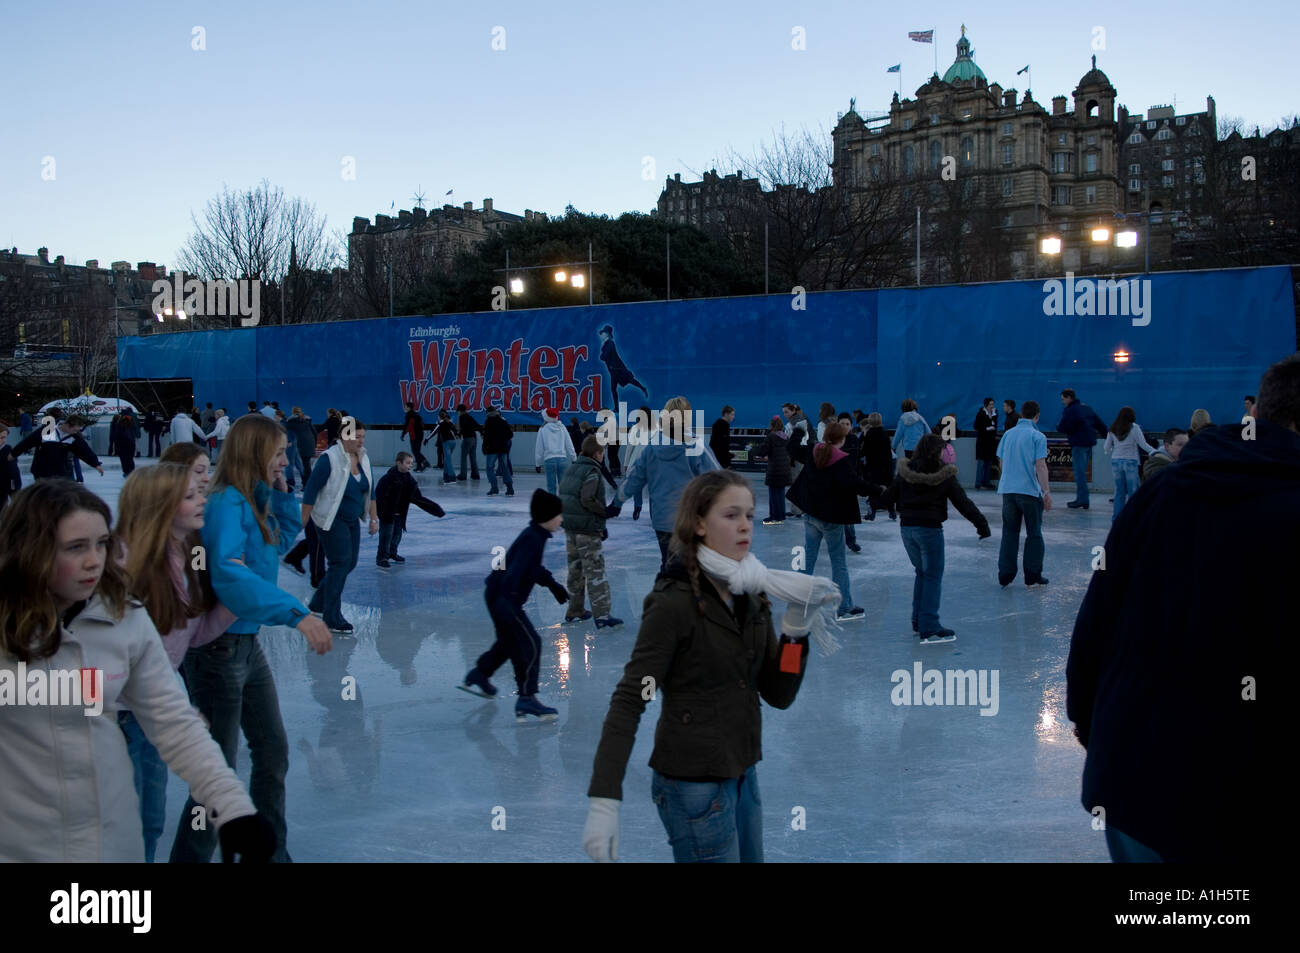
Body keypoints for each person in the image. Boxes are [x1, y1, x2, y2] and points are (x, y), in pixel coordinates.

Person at [1066, 354, 1299, 863]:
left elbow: (1096, 623)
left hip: (1135, 779)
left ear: (1259, 411)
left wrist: (1097, 728)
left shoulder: (1162, 493)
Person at [0, 480, 275, 863]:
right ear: (32, 550)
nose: (94, 560)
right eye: (76, 547)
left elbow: (173, 720)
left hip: (107, 839)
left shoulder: (123, 617)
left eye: (101, 544)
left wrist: (232, 807)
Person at [582, 469, 835, 863]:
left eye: (749, 515)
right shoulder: (672, 605)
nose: (745, 525)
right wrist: (604, 798)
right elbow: (633, 697)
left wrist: (794, 633)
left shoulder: (750, 593)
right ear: (699, 524)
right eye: (731, 515)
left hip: (743, 774)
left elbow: (778, 693)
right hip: (693, 787)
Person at [168, 413, 333, 864]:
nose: (285, 461)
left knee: (272, 750)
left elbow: (277, 542)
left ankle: (269, 854)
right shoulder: (225, 503)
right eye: (278, 453)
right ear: (255, 451)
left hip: (245, 644)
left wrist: (279, 493)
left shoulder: (250, 498)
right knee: (215, 772)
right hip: (215, 651)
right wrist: (297, 614)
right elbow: (228, 574)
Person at [114, 462, 238, 861]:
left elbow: (189, 637)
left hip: (148, 715)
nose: (203, 499)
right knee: (125, 827)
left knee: (149, 821)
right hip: (114, 716)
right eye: (190, 496)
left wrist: (235, 603)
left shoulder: (182, 556)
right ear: (159, 507)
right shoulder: (121, 568)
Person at [459, 490, 568, 722]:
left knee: (509, 642)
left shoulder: (536, 535)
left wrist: (553, 585)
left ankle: (480, 673)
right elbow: (516, 570)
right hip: (504, 598)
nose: (561, 519)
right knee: (530, 643)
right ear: (547, 516)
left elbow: (532, 568)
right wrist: (510, 602)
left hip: (498, 595)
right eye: (558, 514)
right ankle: (527, 697)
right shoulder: (533, 538)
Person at [871, 434, 991, 643]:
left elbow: (887, 497)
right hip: (929, 530)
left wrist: (874, 499)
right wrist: (981, 524)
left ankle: (918, 620)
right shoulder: (944, 474)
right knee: (932, 576)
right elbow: (962, 502)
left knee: (922, 573)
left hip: (907, 529)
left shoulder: (906, 472)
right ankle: (929, 626)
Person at [786, 420, 882, 621]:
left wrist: (798, 430)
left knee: (809, 558)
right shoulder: (841, 460)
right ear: (842, 439)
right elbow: (855, 484)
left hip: (810, 514)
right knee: (838, 562)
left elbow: (792, 448)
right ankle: (844, 607)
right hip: (831, 518)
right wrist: (879, 490)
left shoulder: (813, 451)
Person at [614, 397, 720, 570]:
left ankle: (669, 584)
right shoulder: (695, 446)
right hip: (689, 520)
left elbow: (634, 478)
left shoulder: (651, 448)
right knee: (692, 568)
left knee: (669, 565)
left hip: (662, 520)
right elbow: (718, 480)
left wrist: (617, 502)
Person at [301, 418, 377, 634]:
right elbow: (311, 490)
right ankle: (332, 616)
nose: (361, 441)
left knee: (349, 563)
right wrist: (303, 519)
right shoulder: (329, 458)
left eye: (363, 437)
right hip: (330, 518)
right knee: (340, 563)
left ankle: (318, 603)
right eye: (357, 437)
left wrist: (373, 518)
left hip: (352, 519)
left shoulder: (363, 457)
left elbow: (370, 491)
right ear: (344, 436)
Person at [559, 435, 623, 629]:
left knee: (575, 570)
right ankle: (602, 615)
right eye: (602, 452)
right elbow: (587, 499)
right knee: (595, 571)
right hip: (587, 531)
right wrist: (605, 513)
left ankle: (575, 609)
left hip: (570, 528)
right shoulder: (592, 471)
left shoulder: (572, 468)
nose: (603, 456)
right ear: (597, 453)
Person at [996, 399, 1051, 588]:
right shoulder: (1038, 437)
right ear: (1037, 416)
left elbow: (1001, 462)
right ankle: (1033, 575)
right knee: (1034, 533)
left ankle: (1005, 573)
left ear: (1021, 413)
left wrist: (1009, 478)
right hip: (1029, 492)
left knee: (1009, 532)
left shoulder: (1008, 434)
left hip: (1008, 491)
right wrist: (1046, 491)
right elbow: (1041, 466)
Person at [374, 451, 445, 569]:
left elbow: (418, 498)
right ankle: (382, 558)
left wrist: (436, 509)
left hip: (400, 514)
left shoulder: (409, 480)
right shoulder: (388, 479)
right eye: (408, 463)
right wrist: (380, 513)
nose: (410, 466)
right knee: (386, 536)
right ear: (399, 463)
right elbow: (378, 496)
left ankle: (392, 553)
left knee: (397, 535)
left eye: (411, 463)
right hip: (387, 514)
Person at [11, 413, 103, 480]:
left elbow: (84, 450)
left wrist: (96, 464)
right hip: (42, 471)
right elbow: (27, 442)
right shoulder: (47, 430)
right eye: (75, 430)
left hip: (60, 472)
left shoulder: (73, 437)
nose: (76, 432)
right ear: (68, 425)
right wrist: (13, 454)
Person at [1102, 407, 1156, 522]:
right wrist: (1154, 452)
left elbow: (1106, 447)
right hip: (1130, 461)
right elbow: (1143, 444)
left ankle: (1116, 519)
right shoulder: (1134, 428)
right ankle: (1133, 519)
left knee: (1119, 492)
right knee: (1133, 491)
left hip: (1116, 461)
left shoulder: (1113, 428)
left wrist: (1112, 450)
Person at [1057, 389, 1107, 509]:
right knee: (1082, 472)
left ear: (1069, 397)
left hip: (1079, 443)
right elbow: (1099, 424)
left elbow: (1066, 426)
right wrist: (1108, 437)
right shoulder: (1087, 408)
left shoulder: (1070, 410)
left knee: (1079, 473)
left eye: (1063, 399)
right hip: (1089, 443)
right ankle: (1082, 498)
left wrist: (1059, 427)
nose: (1063, 402)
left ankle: (1083, 499)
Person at [597, 324, 649, 408]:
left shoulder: (610, 343)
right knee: (616, 387)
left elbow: (603, 357)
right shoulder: (606, 344)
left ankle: (643, 388)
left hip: (617, 369)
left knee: (629, 380)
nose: (602, 335)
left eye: (603, 333)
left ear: (607, 334)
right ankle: (617, 407)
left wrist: (603, 353)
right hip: (614, 370)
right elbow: (604, 356)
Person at [620, 405, 654, 520]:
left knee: (645, 485)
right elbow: (630, 447)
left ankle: (644, 508)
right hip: (645, 460)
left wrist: (626, 463)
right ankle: (644, 509)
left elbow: (630, 448)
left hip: (644, 460)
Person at [837, 412, 865, 553]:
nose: (844, 426)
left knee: (848, 514)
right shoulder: (833, 440)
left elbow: (858, 461)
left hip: (850, 481)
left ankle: (851, 540)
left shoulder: (854, 439)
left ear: (851, 425)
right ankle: (833, 539)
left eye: (847, 424)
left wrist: (859, 478)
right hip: (835, 482)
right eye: (842, 424)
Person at [861, 412, 896, 521]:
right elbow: (889, 451)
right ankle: (891, 511)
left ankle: (872, 513)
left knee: (873, 489)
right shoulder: (885, 433)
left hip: (873, 466)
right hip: (886, 466)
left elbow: (864, 451)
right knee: (888, 489)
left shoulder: (869, 434)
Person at [758, 415, 792, 525]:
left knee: (773, 493)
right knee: (780, 493)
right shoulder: (786, 437)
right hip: (784, 469)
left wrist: (755, 451)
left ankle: (774, 516)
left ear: (772, 425)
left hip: (774, 469)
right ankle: (781, 515)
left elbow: (763, 451)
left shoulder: (771, 437)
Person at [536, 408, 576, 494]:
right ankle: (563, 501)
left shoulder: (542, 429)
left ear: (546, 417)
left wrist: (538, 463)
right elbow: (569, 444)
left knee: (551, 486)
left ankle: (553, 502)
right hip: (562, 459)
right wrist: (574, 458)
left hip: (549, 459)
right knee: (563, 486)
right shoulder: (562, 427)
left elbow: (539, 448)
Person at [781, 403, 811, 518]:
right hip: (803, 455)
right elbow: (807, 437)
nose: (785, 414)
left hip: (795, 456)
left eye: (786, 412)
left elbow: (789, 441)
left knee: (795, 483)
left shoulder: (792, 424)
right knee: (802, 483)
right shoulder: (802, 421)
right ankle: (801, 509)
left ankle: (797, 510)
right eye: (784, 412)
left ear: (793, 411)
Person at [481, 406, 515, 496]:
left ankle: (494, 488)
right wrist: (503, 440)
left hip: (492, 449)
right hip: (503, 448)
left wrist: (484, 447)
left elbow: (486, 437)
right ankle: (510, 488)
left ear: (487, 413)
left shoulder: (488, 422)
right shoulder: (502, 421)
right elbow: (510, 434)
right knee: (505, 468)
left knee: (489, 468)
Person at [973, 398, 998, 490]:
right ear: (986, 405)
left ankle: (986, 482)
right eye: (990, 404)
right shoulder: (981, 414)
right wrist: (986, 429)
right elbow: (976, 426)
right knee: (981, 463)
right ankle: (978, 482)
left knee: (989, 463)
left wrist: (993, 418)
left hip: (990, 442)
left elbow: (994, 424)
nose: (992, 406)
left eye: (993, 404)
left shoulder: (995, 414)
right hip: (982, 442)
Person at [285, 407, 315, 480]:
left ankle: (304, 481)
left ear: (292, 412)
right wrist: (314, 443)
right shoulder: (307, 421)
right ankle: (306, 481)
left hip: (299, 445)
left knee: (300, 463)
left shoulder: (291, 422)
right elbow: (314, 432)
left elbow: (287, 432)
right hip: (310, 443)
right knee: (305, 463)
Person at [432, 409, 459, 485]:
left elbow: (433, 432)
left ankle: (452, 477)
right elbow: (454, 429)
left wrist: (426, 439)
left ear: (439, 417)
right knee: (446, 459)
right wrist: (457, 434)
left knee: (448, 460)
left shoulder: (440, 423)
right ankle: (446, 476)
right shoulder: (449, 422)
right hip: (453, 442)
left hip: (446, 442)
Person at [402, 402, 430, 472]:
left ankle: (424, 461)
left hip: (414, 435)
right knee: (417, 451)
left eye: (405, 407)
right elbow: (422, 425)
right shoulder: (417, 414)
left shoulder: (409, 415)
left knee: (415, 451)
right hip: (420, 434)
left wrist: (403, 434)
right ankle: (419, 466)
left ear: (409, 408)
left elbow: (408, 426)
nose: (404, 408)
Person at [457, 403, 482, 481]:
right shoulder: (469, 416)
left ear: (460, 411)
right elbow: (477, 425)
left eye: (458, 411)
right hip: (474, 438)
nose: (458, 413)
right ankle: (475, 474)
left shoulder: (461, 417)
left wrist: (459, 434)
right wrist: (482, 432)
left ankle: (463, 475)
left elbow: (462, 427)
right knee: (473, 457)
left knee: (463, 457)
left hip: (467, 438)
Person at [0, 421, 22, 509]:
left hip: (6, 486)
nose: (4, 440)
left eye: (5, 437)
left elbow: (13, 472)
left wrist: (14, 488)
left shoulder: (7, 450)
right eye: (1, 438)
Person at [113, 409, 140, 475]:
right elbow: (133, 432)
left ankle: (126, 471)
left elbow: (117, 435)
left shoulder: (119, 423)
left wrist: (116, 444)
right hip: (131, 443)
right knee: (130, 458)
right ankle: (131, 470)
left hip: (122, 444)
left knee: (123, 458)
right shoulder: (132, 422)